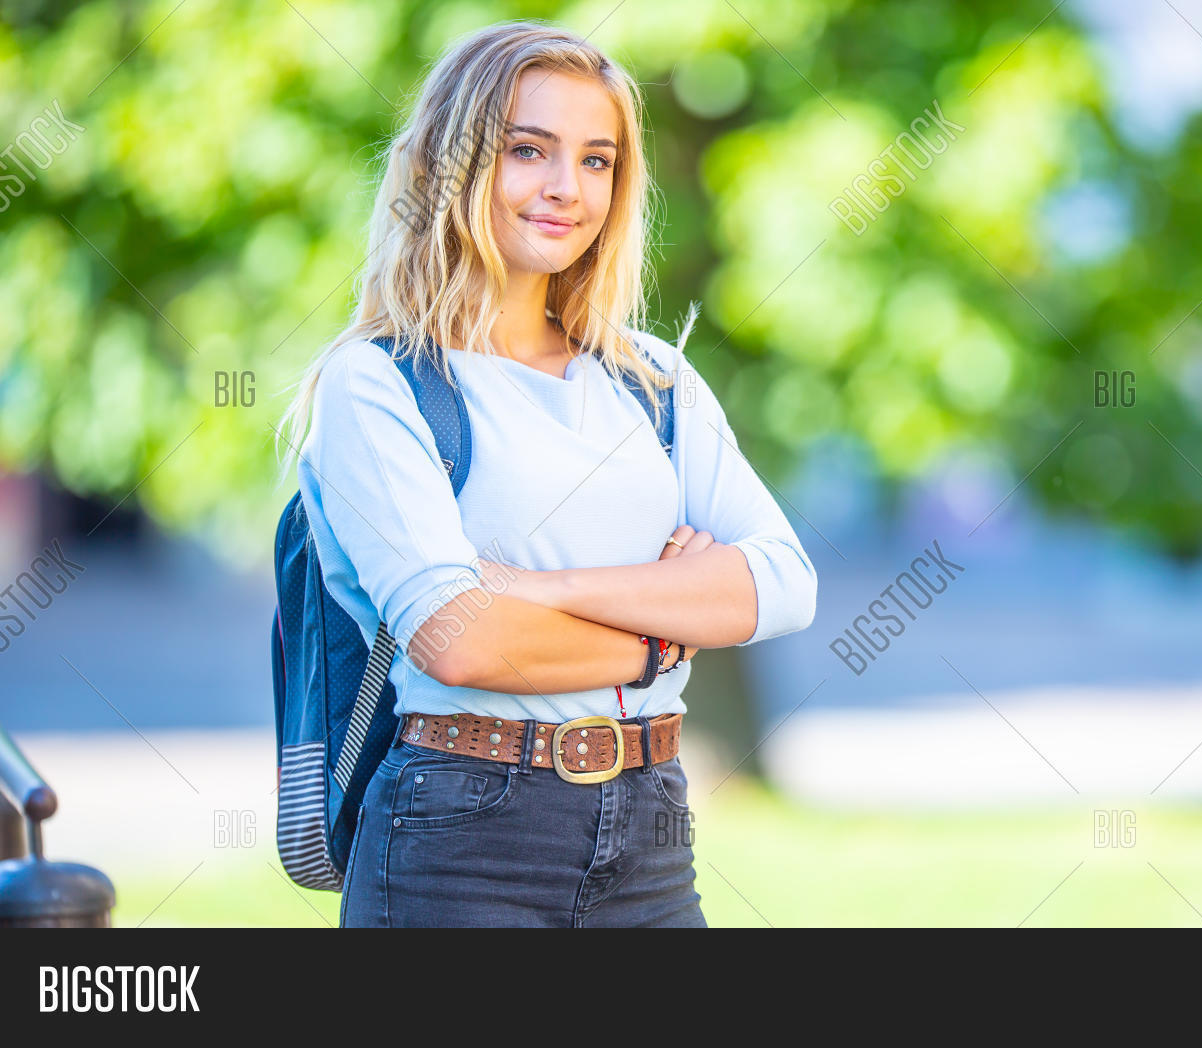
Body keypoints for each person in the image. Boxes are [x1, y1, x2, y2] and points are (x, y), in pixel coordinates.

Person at [276, 20, 817, 927]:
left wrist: (543, 588)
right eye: (529, 150)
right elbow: (462, 643)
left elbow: (785, 585)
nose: (568, 188)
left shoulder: (651, 378)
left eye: (598, 160)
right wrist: (666, 628)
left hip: (652, 822)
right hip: (463, 831)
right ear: (450, 165)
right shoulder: (376, 383)